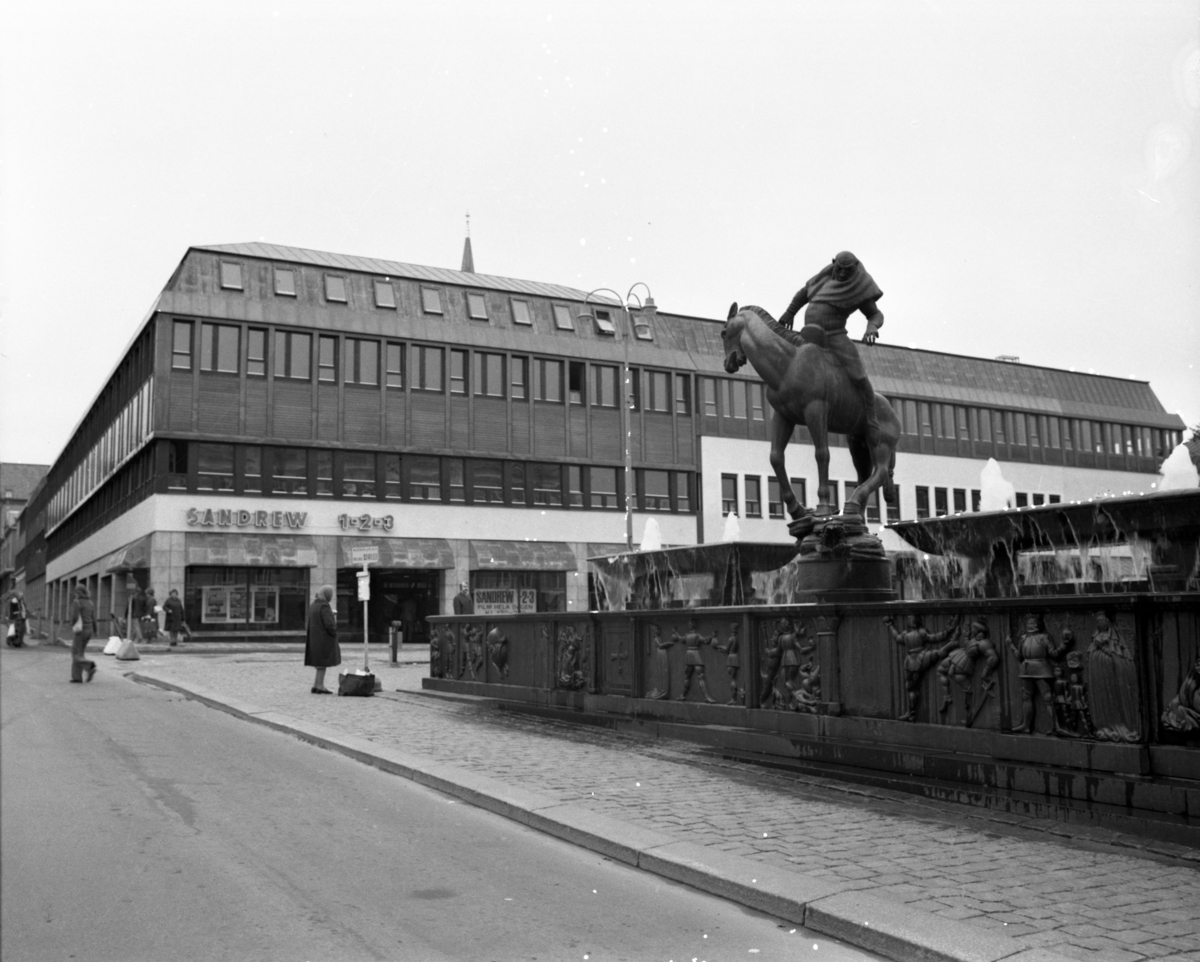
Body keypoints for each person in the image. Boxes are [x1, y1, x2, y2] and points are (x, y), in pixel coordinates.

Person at [779, 251, 885, 441]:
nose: (843, 274)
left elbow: (875, 314)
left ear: (855, 269)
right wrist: (790, 312)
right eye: (840, 269)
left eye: (848, 271)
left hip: (835, 336)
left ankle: (872, 419)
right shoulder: (822, 279)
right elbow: (803, 294)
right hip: (810, 334)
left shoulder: (858, 286)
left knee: (859, 376)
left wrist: (871, 327)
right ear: (833, 263)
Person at [304, 584, 340, 694]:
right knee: (322, 664)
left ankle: (315, 685)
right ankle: (320, 686)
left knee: (319, 663)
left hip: (314, 638)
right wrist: (334, 632)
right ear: (327, 594)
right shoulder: (324, 606)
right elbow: (329, 624)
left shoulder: (314, 605)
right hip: (323, 639)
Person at [69, 585, 97, 683]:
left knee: (75, 654)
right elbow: (93, 618)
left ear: (78, 593)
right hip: (89, 630)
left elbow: (75, 617)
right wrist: (95, 630)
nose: (75, 594)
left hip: (81, 630)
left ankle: (89, 666)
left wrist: (72, 625)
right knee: (80, 653)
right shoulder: (90, 603)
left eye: (76, 592)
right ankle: (77, 677)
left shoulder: (77, 602)